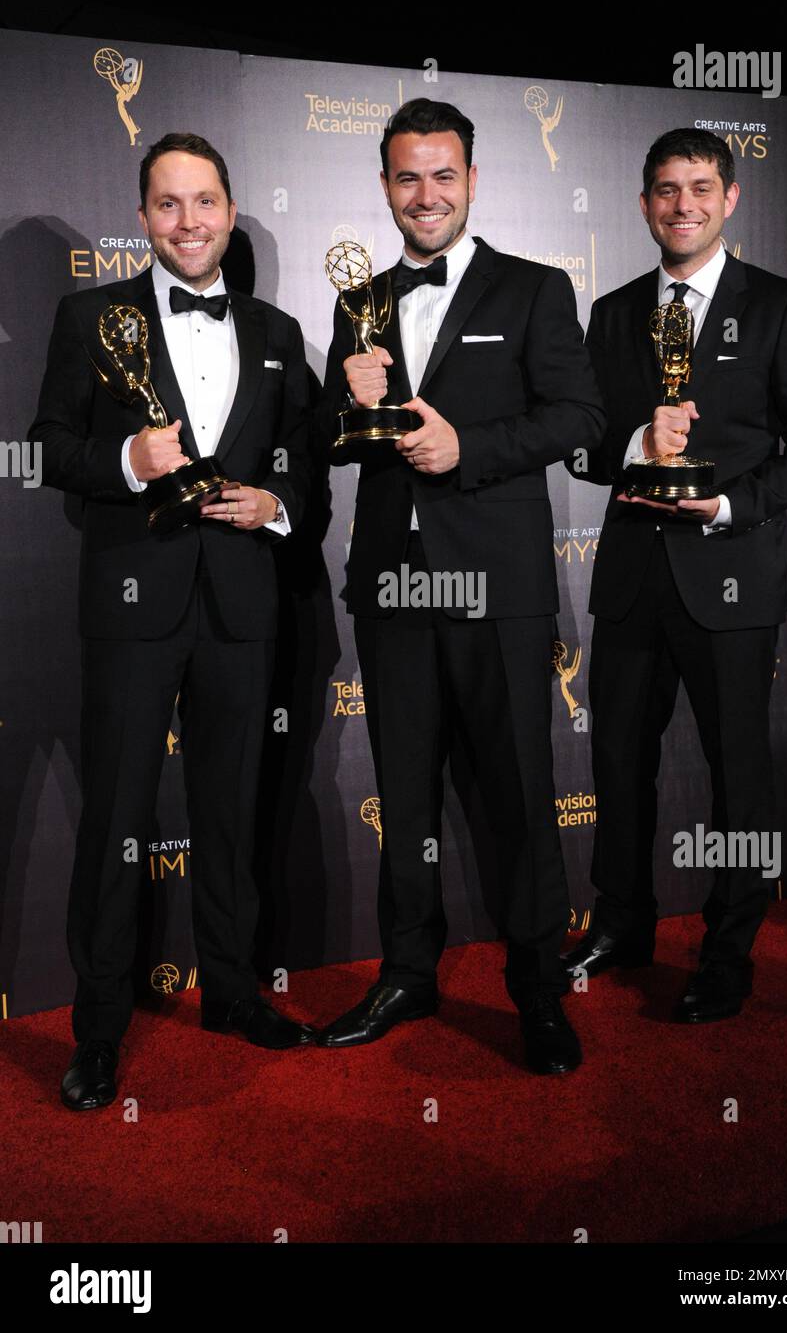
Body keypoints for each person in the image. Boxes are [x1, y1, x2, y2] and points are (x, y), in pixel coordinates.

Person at [315, 98, 605, 1074]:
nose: (425, 193)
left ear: (472, 182)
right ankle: (407, 971)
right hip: (392, 588)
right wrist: (341, 398)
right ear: (385, 186)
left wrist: (467, 447)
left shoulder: (532, 289)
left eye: (443, 175)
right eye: (406, 176)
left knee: (519, 794)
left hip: (497, 587)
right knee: (404, 790)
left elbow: (577, 417)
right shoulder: (359, 300)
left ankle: (536, 987)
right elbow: (325, 434)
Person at [30, 132, 314, 1110]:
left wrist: (275, 507)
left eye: (204, 202)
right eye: (167, 204)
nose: (188, 222)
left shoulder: (279, 333)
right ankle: (99, 1031)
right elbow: (48, 446)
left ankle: (234, 992)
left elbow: (307, 456)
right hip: (131, 603)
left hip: (242, 604)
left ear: (230, 211)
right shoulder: (89, 316)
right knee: (116, 818)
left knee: (232, 812)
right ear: (144, 217)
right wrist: (125, 466)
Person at [562, 128, 787, 1021]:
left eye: (698, 188)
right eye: (664, 189)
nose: (681, 204)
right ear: (643, 203)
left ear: (728, 199)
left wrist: (728, 507)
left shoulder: (778, 304)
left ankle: (729, 947)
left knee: (738, 774)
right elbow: (582, 444)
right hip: (633, 579)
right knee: (615, 761)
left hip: (731, 579)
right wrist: (637, 445)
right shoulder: (610, 313)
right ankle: (622, 922)